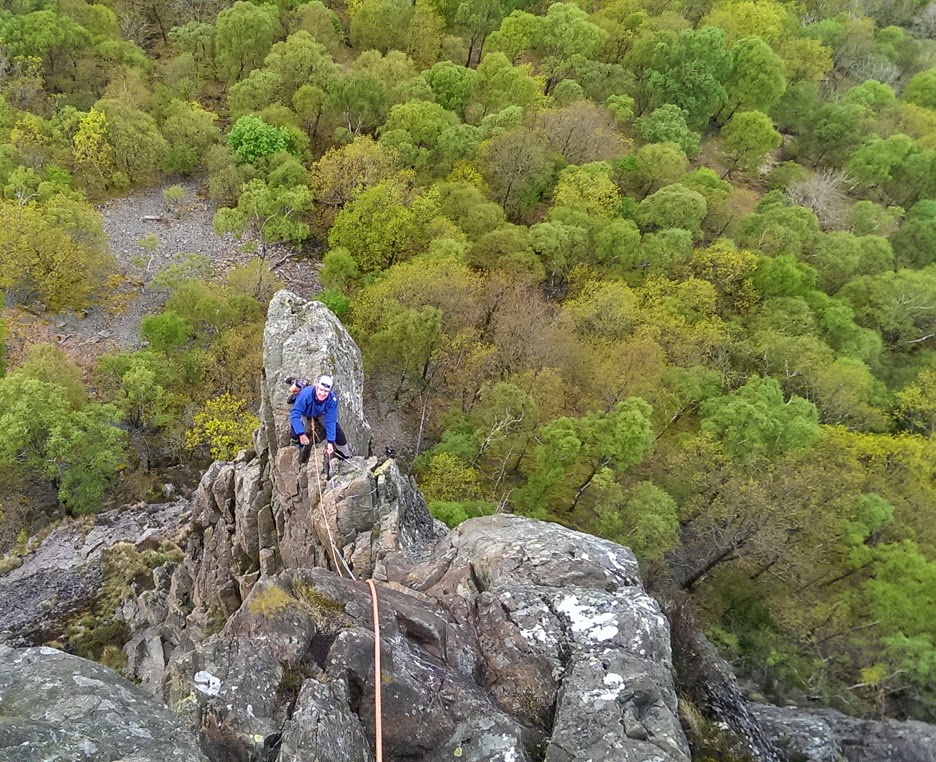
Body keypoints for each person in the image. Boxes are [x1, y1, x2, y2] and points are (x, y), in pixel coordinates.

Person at [289, 375, 352, 459]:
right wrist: (301, 434)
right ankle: (298, 443)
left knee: (338, 432)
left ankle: (345, 454)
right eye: (321, 390)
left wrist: (330, 441)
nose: (322, 393)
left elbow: (331, 420)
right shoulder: (306, 394)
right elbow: (295, 414)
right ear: (316, 388)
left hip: (320, 412)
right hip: (304, 411)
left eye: (326, 391)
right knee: (295, 433)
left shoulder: (332, 399)